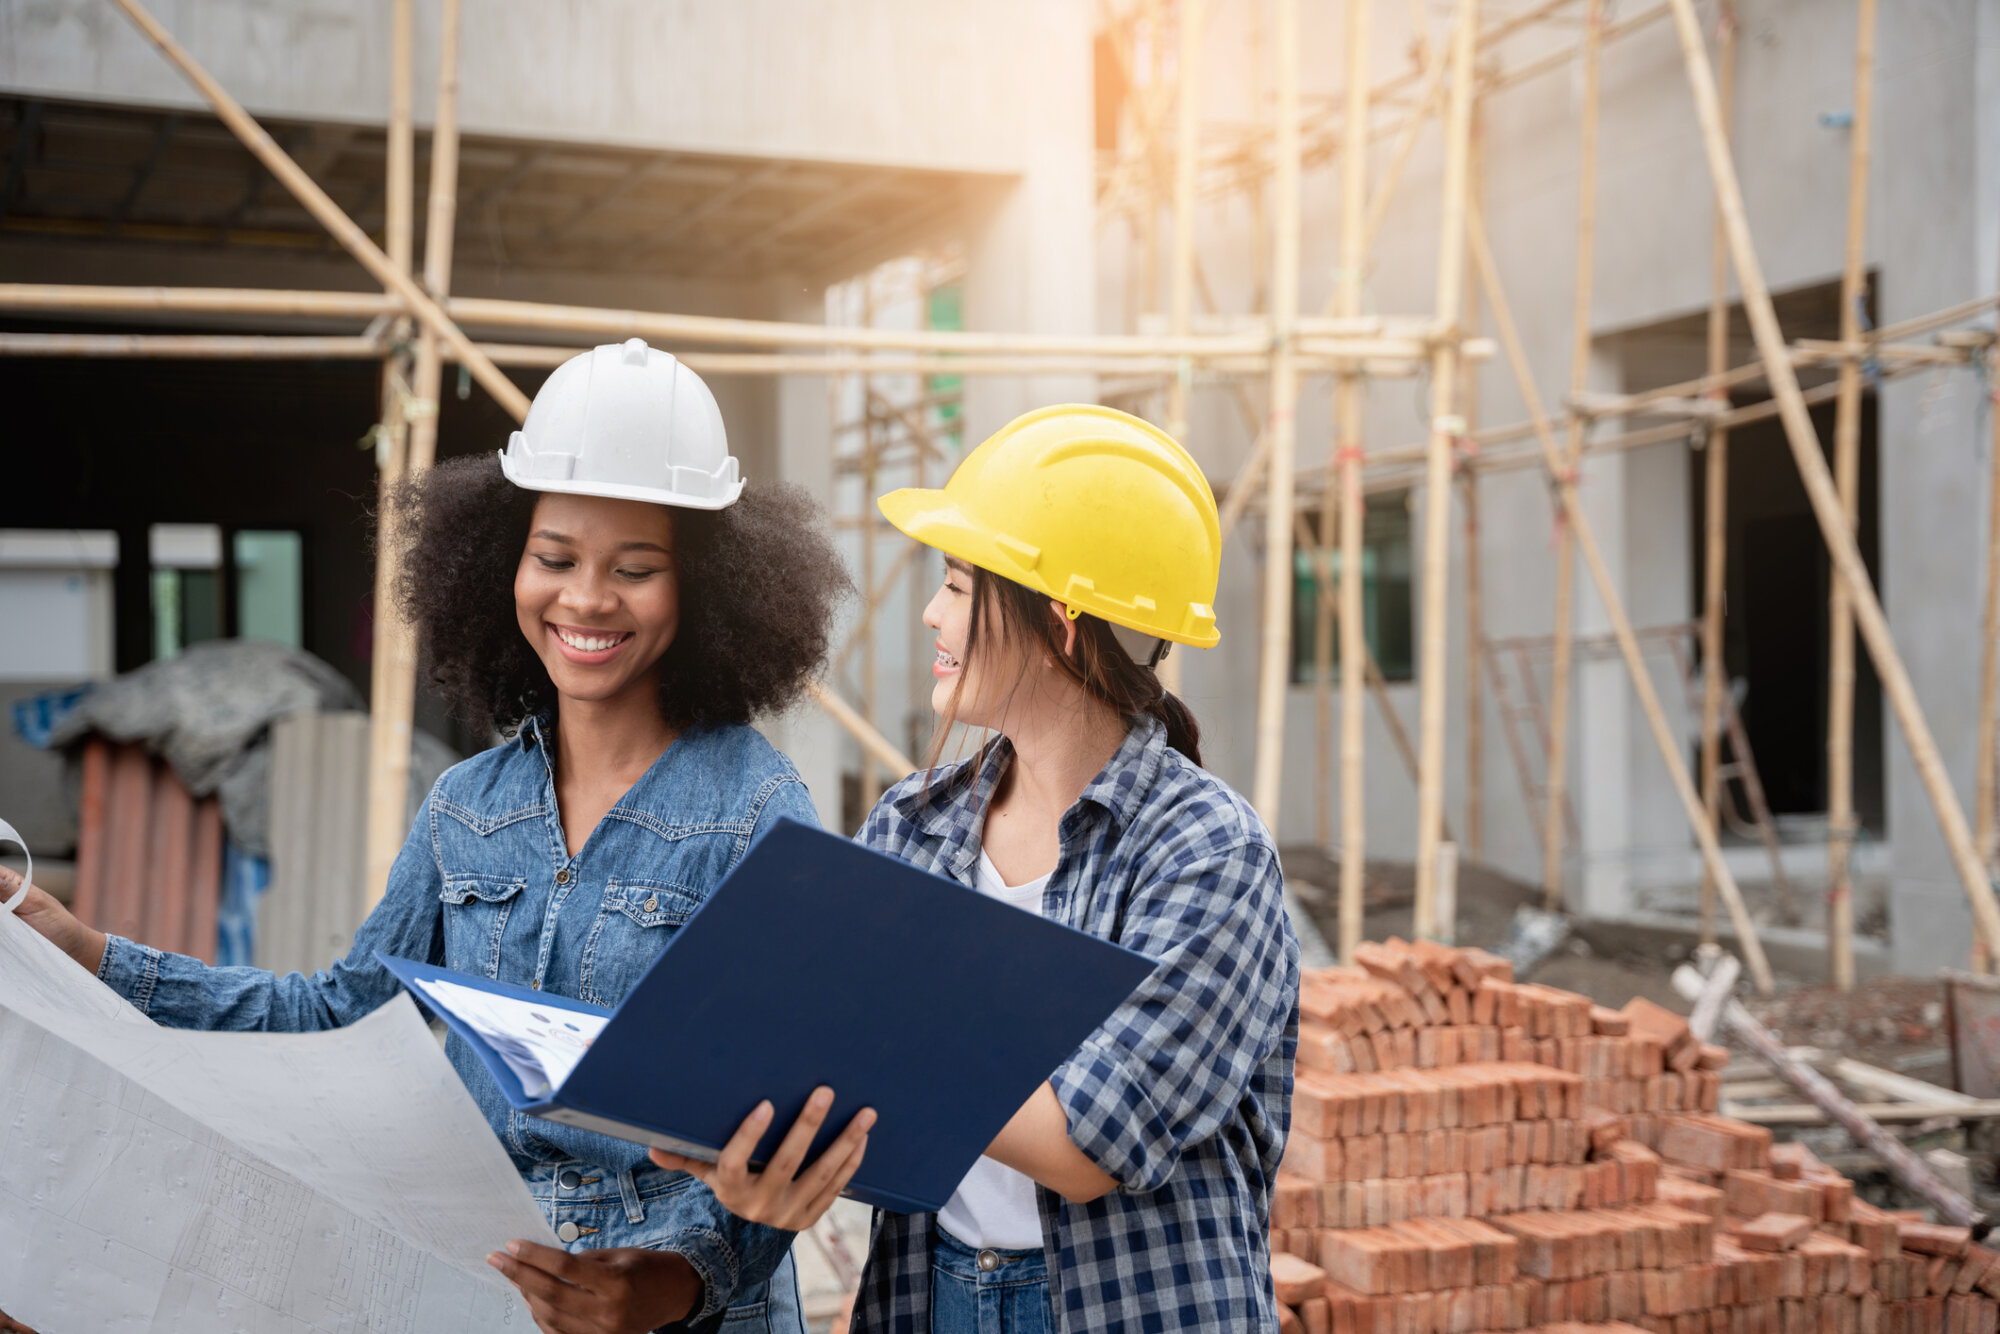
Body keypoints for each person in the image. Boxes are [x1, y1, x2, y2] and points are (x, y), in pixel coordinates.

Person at [0, 339, 868, 1334]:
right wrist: (92, 952)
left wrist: (678, 1276)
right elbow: (341, 1013)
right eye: (555, 558)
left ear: (706, 590)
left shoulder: (754, 810)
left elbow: (801, 1120)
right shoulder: (467, 806)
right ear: (500, 563)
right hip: (490, 1286)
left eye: (636, 568)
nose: (585, 598)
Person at [666, 404, 1300, 1332]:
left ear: (1062, 618)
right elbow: (851, 1103)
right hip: (932, 1297)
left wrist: (852, 1029)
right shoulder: (913, 827)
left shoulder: (1207, 853)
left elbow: (1089, 1142)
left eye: (959, 584)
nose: (931, 611)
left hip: (1125, 1306)